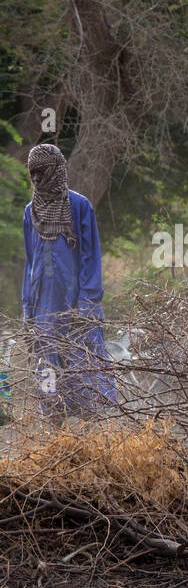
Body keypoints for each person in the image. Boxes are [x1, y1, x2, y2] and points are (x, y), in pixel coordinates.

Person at [21, 144, 117, 423]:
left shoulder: (79, 206)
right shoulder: (30, 212)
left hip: (76, 305)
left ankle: (91, 439)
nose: (37, 178)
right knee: (48, 371)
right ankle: (57, 439)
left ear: (56, 170)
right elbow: (30, 262)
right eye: (32, 173)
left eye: (43, 171)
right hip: (43, 308)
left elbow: (90, 257)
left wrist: (87, 304)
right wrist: (28, 308)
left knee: (84, 366)